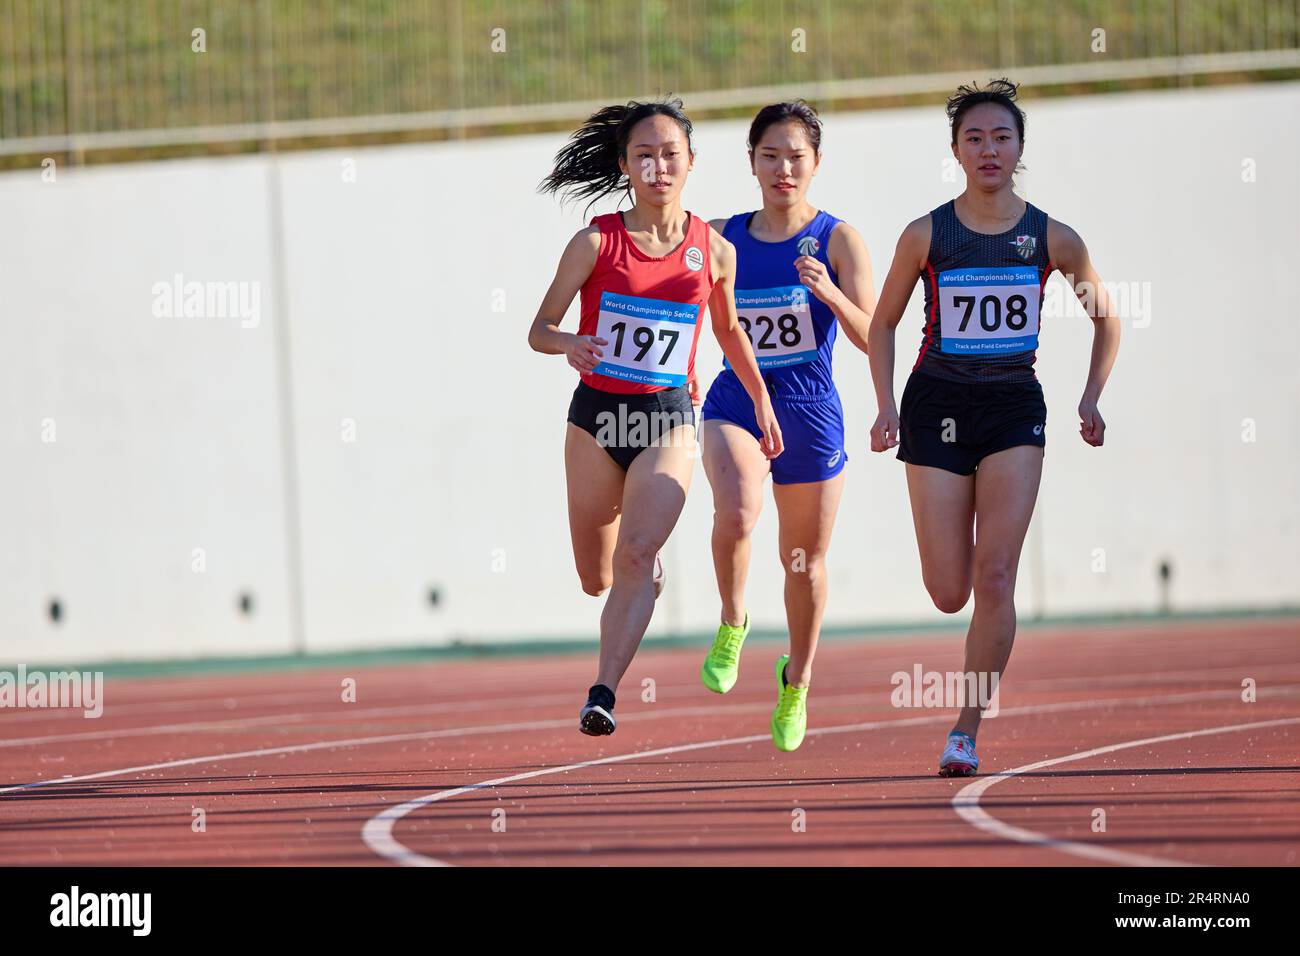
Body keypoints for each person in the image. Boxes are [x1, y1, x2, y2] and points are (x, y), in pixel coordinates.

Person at [866, 79, 1120, 775]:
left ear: (1020, 149)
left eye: (1001, 137)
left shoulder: (1051, 237)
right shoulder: (926, 234)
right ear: (955, 150)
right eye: (974, 138)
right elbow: (883, 321)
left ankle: (965, 730)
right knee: (949, 591)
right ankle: (964, 710)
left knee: (997, 574)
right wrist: (886, 405)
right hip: (937, 407)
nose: (988, 149)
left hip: (1013, 408)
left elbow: (1108, 315)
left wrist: (1091, 395)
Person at [529, 98, 783, 736]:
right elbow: (539, 329)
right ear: (625, 165)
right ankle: (638, 574)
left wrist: (760, 399)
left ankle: (603, 692)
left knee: (637, 552)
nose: (659, 166)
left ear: (691, 163)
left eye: (671, 154)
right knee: (598, 576)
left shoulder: (714, 251)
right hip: (596, 418)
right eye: (644, 155)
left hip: (667, 416)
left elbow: (728, 333)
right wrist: (570, 345)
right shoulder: (594, 241)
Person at [696, 101, 875, 751]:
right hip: (738, 400)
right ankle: (733, 619)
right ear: (751, 163)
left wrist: (829, 293)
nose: (782, 168)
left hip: (810, 410)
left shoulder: (838, 240)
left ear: (816, 164)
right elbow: (677, 304)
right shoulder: (722, 237)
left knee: (803, 563)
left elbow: (872, 336)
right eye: (769, 155)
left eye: (795, 155)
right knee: (738, 509)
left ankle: (796, 680)